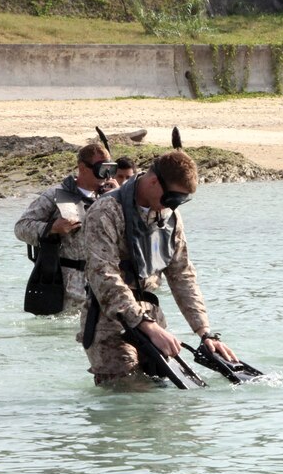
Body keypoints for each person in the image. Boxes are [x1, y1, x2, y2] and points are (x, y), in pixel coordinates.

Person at [79, 149, 239, 385]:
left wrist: (204, 332)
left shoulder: (169, 216)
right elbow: (104, 276)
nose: (174, 206)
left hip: (151, 317)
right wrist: (146, 326)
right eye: (172, 198)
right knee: (127, 397)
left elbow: (182, 274)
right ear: (154, 182)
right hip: (109, 321)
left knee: (163, 402)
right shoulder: (106, 212)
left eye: (181, 201)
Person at [14, 142, 119, 313]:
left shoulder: (111, 198)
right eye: (101, 169)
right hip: (67, 290)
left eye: (110, 169)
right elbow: (21, 227)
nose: (106, 176)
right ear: (82, 168)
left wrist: (120, 197)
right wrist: (52, 228)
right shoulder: (57, 195)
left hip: (102, 285)